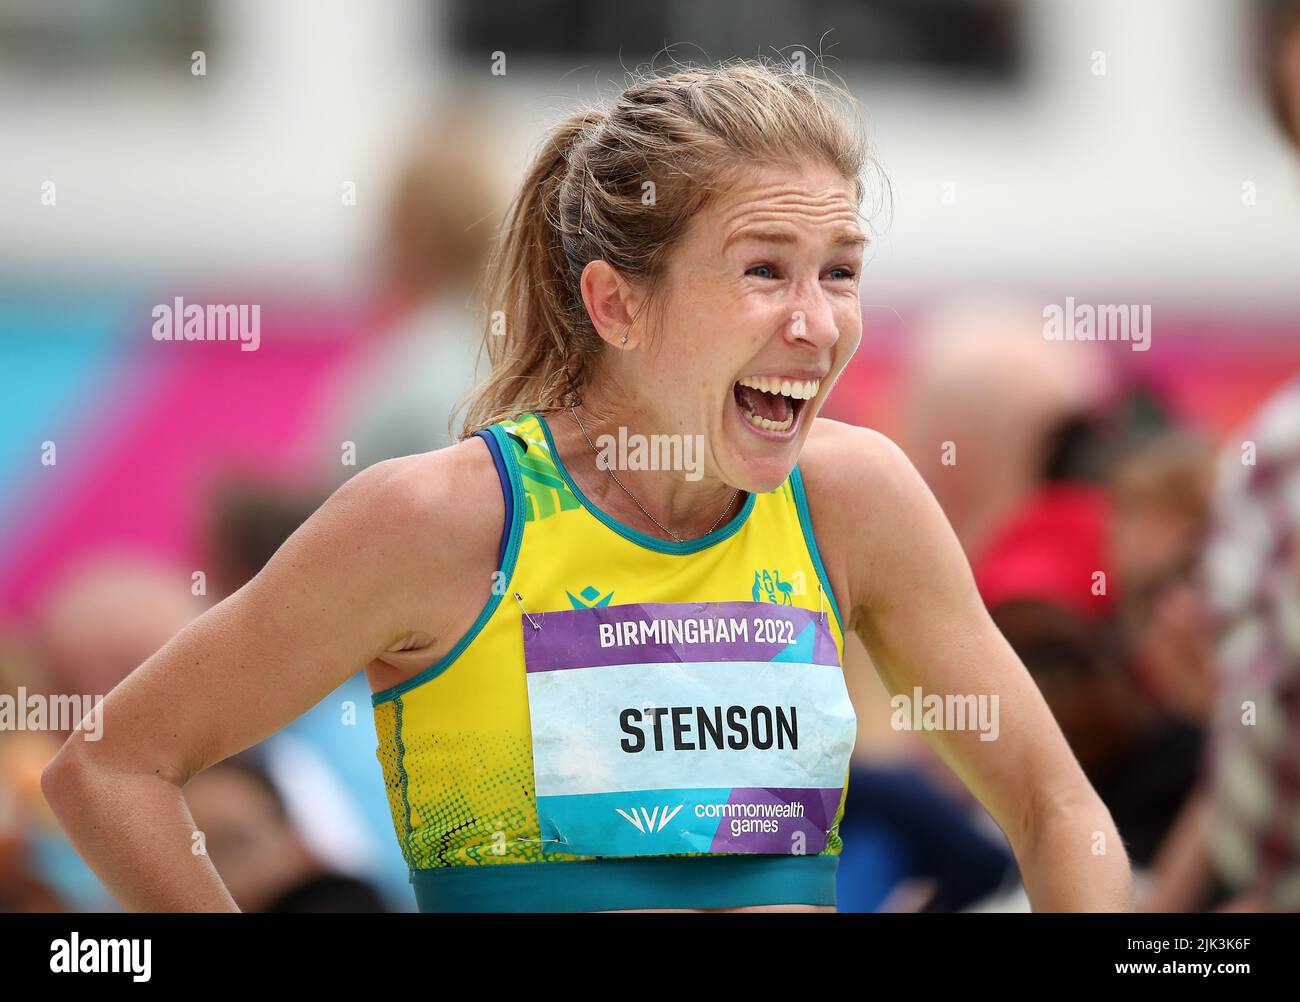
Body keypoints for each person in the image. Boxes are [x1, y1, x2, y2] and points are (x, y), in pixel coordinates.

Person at [41, 60, 1133, 913]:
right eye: (764, 269)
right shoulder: (435, 519)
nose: (817, 323)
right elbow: (109, 771)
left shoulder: (855, 495)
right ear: (615, 306)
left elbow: (1053, 807)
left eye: (839, 269)